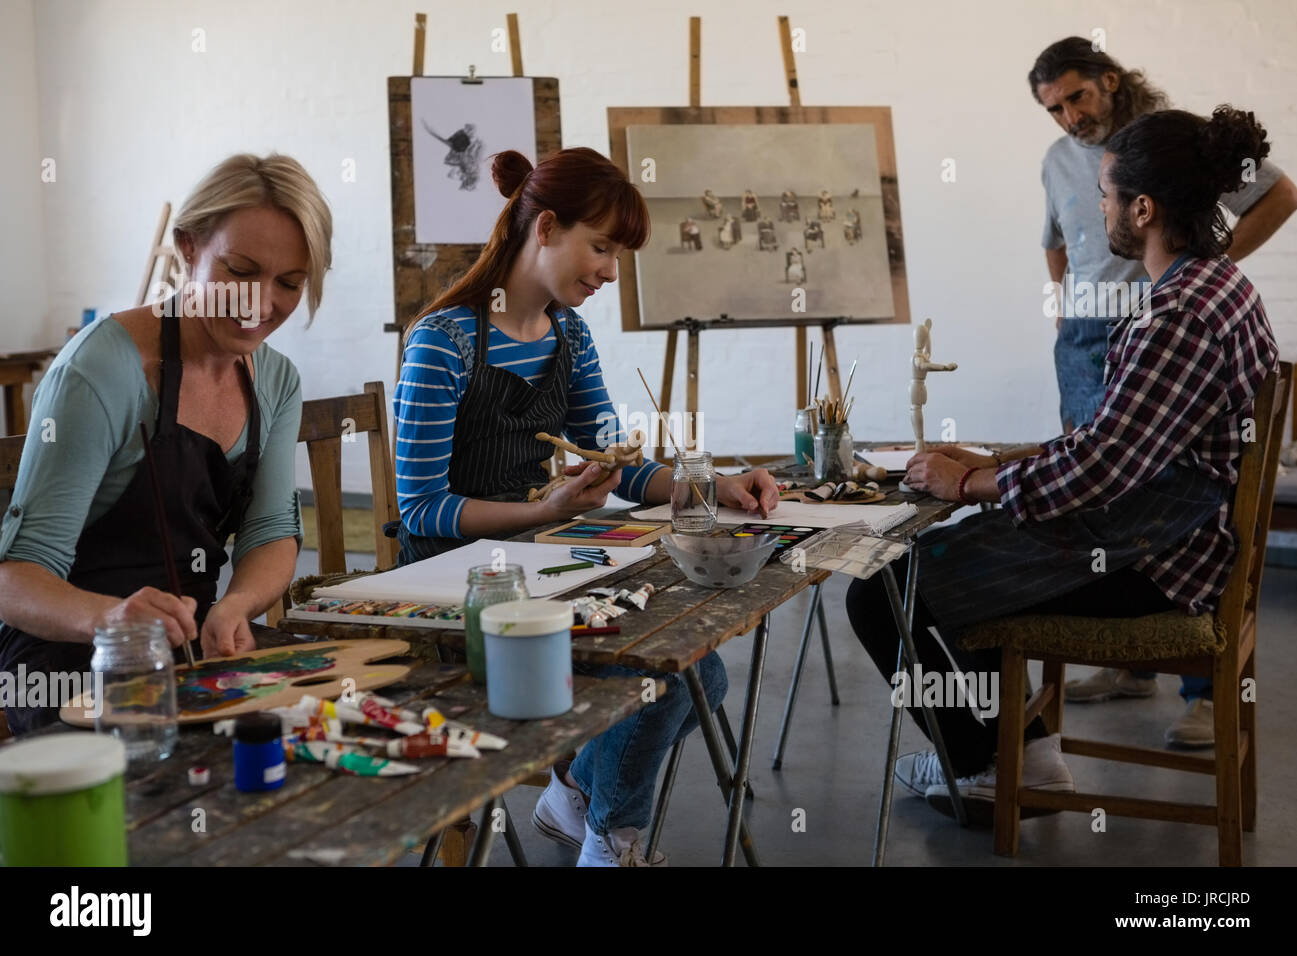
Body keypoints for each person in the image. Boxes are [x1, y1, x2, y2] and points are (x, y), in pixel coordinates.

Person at [847, 106, 1278, 822]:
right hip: (1175, 538)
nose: (1099, 206)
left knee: (885, 592)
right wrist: (996, 462)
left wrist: (970, 482)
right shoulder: (1217, 286)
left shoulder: (1174, 316)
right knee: (946, 560)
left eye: (1106, 193)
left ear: (1143, 208)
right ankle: (1029, 755)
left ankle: (980, 767)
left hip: (1161, 562)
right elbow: (1119, 439)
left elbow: (1103, 466)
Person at [391, 146, 779, 865]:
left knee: (703, 673)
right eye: (600, 247)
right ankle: (611, 839)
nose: (608, 271)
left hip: (540, 561)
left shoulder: (569, 336)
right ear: (543, 229)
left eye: (618, 255)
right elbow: (420, 511)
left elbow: (621, 466)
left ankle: (573, 796)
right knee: (664, 683)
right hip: (454, 582)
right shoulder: (442, 343)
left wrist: (712, 487)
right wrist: (544, 513)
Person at [0, 153, 332, 734]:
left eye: (289, 283)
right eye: (239, 270)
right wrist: (113, 619)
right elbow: (15, 578)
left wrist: (235, 605)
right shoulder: (104, 369)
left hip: (193, 647)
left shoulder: (276, 381)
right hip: (74, 655)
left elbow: (273, 531)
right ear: (187, 247)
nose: (259, 301)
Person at [1030, 38, 1297, 737]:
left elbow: (1282, 193)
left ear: (1111, 81)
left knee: (1175, 499)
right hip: (1085, 341)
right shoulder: (1057, 160)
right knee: (1099, 493)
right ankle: (1130, 662)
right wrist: (1066, 306)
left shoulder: (1170, 145)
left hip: (1159, 331)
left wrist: (1205, 263)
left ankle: (1202, 691)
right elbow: (1055, 238)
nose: (1067, 118)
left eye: (1076, 97)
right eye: (1052, 108)